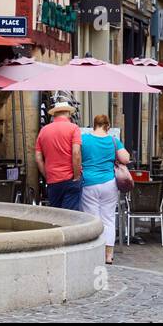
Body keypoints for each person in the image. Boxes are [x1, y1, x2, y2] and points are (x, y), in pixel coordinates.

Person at [80, 114, 130, 265]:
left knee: (92, 218)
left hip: (88, 182)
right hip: (109, 183)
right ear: (107, 126)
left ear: (93, 125)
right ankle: (108, 255)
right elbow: (125, 159)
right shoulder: (114, 141)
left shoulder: (84, 139)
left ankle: (93, 252)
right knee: (108, 218)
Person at [34, 98, 83, 211]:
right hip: (70, 178)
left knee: (56, 216)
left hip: (53, 180)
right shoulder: (74, 128)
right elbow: (76, 153)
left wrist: (47, 175)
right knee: (70, 216)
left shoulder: (44, 130)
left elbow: (38, 158)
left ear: (54, 114)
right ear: (68, 113)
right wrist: (76, 176)